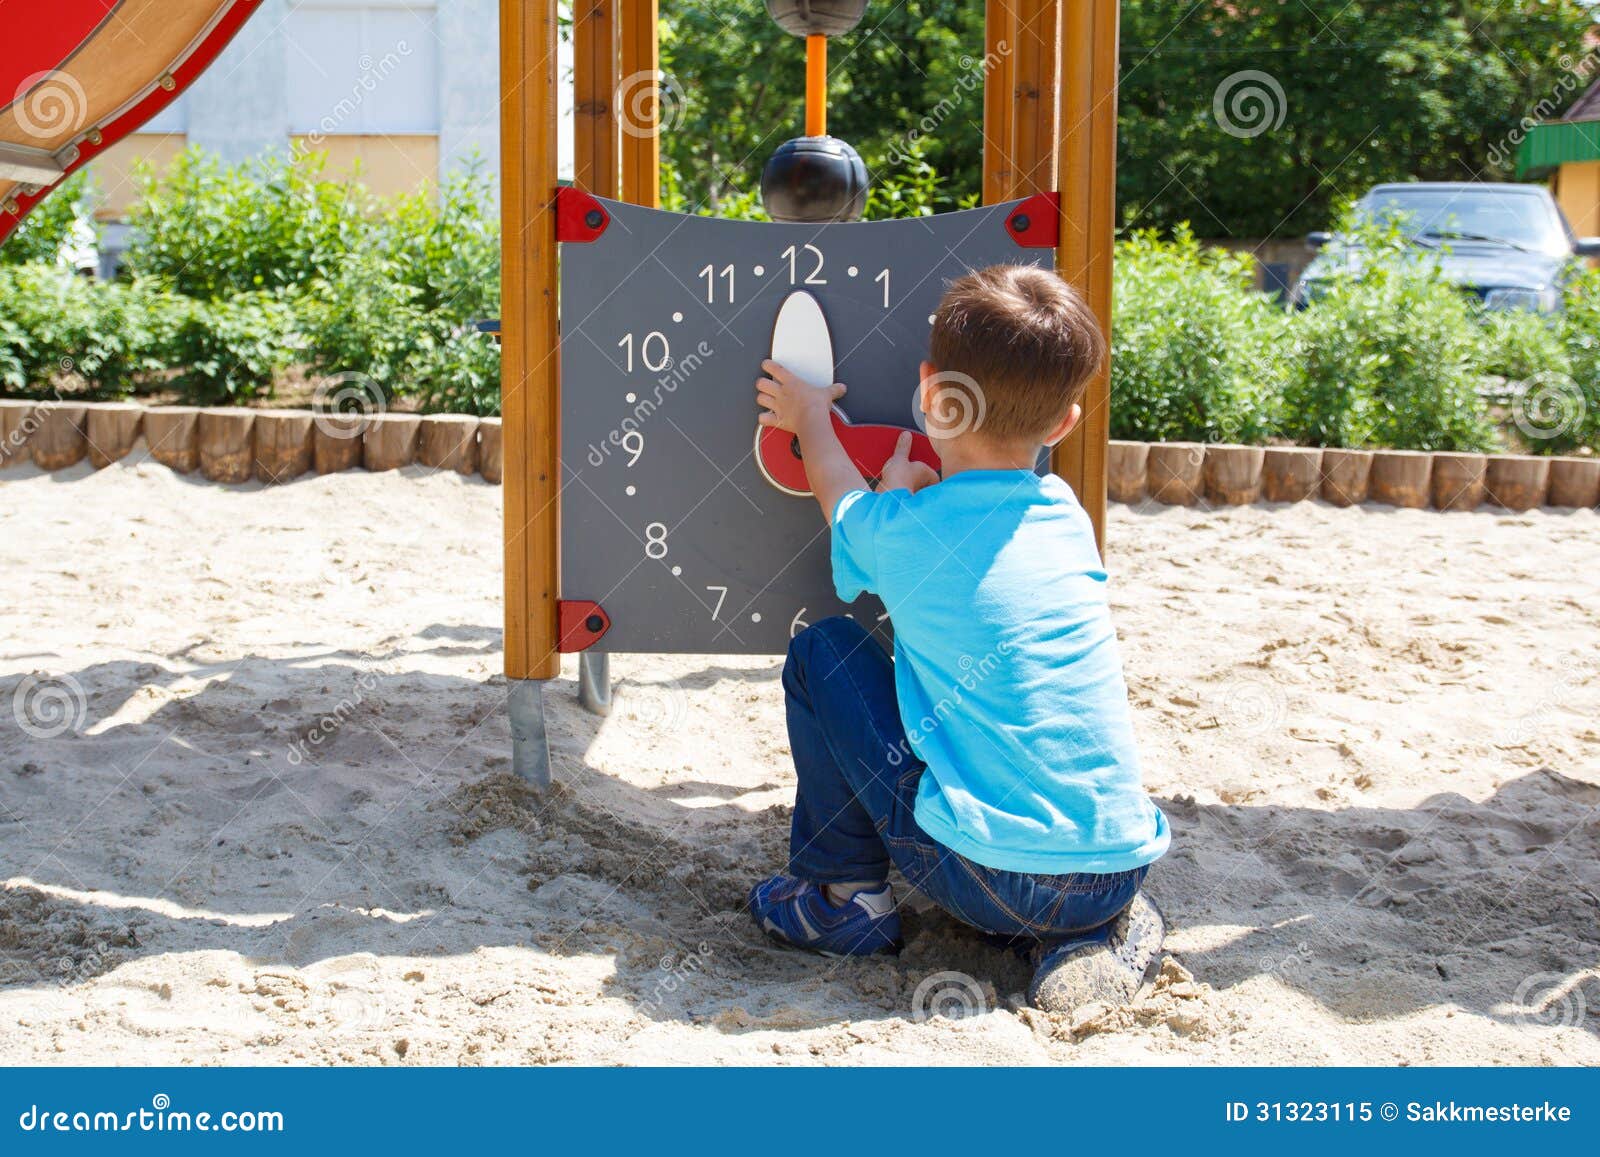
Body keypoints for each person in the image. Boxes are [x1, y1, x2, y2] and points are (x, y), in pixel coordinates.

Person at [748, 264, 1169, 1013]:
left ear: (932, 396)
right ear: (1065, 424)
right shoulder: (1067, 516)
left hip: (986, 878)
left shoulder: (906, 532)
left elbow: (840, 501)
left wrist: (811, 416)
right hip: (1115, 865)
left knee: (826, 652)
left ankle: (845, 895)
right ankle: (1088, 935)